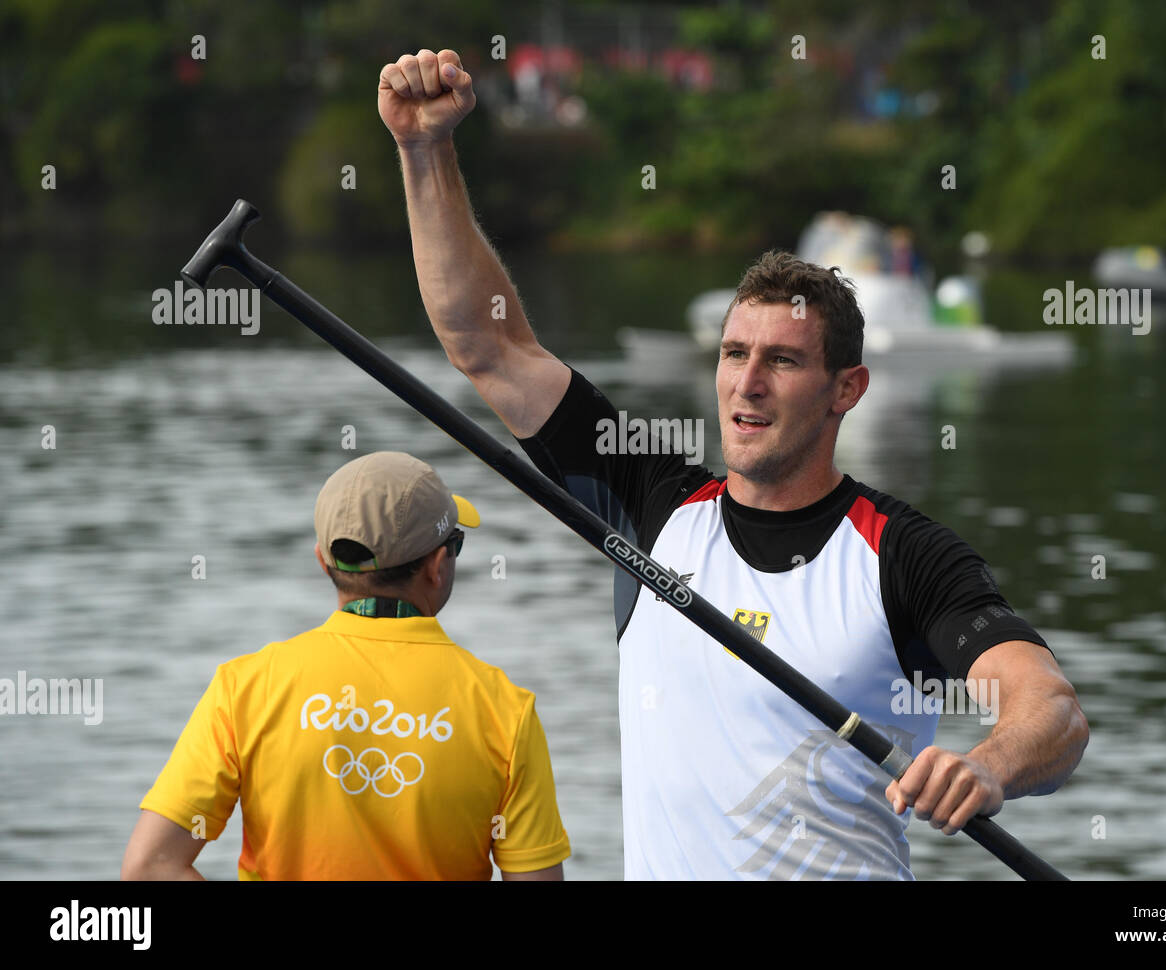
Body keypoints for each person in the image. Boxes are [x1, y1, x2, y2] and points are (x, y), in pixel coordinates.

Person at [378, 48, 1088, 879]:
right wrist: (424, 152)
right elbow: (487, 345)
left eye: (782, 362)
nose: (746, 384)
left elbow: (1053, 709)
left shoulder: (903, 555)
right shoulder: (648, 497)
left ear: (845, 390)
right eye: (733, 354)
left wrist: (987, 766)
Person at [122, 451, 570, 880]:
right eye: (455, 545)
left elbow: (150, 868)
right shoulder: (506, 713)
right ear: (437, 565)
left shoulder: (245, 688)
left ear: (323, 561)